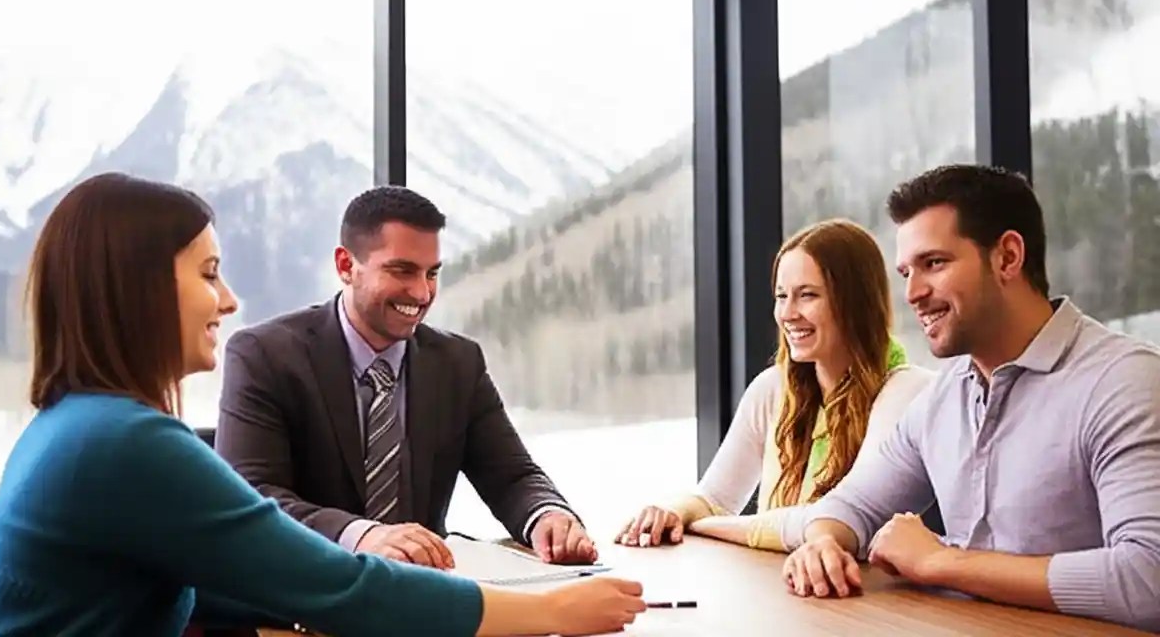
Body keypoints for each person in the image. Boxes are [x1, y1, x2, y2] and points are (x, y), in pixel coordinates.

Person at [0, 173, 645, 637]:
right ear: (138, 289)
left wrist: (546, 518)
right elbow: (335, 583)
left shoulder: (80, 425)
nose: (228, 300)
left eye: (433, 273)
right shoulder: (127, 443)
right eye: (209, 274)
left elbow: (226, 573)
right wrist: (553, 609)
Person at [782, 165, 1160, 633]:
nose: (913, 293)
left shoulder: (1124, 382)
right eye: (906, 271)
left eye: (934, 264)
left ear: (1007, 257)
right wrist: (821, 542)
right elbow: (848, 508)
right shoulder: (941, 397)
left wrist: (942, 563)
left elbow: (1149, 579)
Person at [216, 186, 595, 568]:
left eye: (432, 274)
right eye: (402, 271)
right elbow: (251, 497)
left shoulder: (458, 363)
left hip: (425, 596)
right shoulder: (263, 356)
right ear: (346, 266)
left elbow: (512, 476)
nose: (421, 292)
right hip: (307, 592)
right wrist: (362, 534)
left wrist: (547, 516)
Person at [616, 218, 934, 552]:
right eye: (782, 296)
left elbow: (831, 523)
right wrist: (673, 513)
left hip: (868, 599)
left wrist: (704, 525)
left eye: (807, 295)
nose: (788, 313)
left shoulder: (907, 391)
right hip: (785, 589)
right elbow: (715, 498)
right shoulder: (772, 389)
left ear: (856, 303)